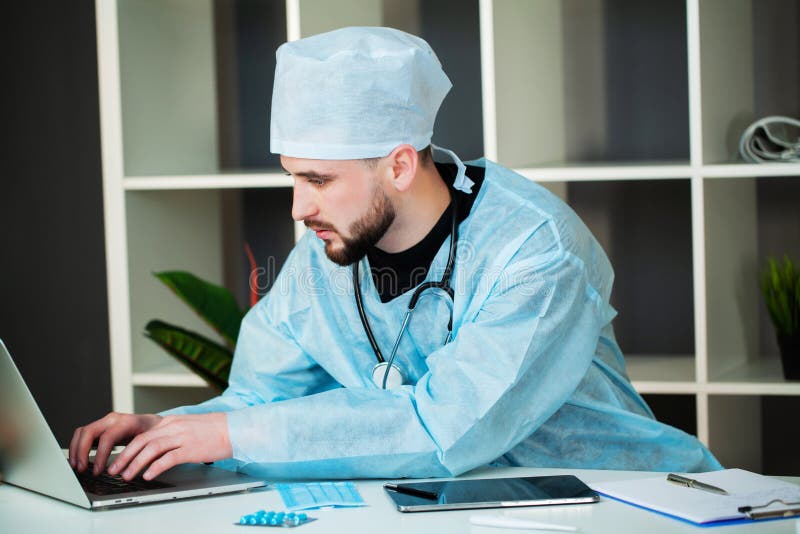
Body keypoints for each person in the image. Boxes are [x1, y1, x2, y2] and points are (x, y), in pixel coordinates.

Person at [69, 27, 721, 482]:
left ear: (401, 165)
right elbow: (259, 399)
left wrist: (224, 434)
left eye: (318, 180)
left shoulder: (535, 251)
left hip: (620, 499)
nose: (297, 208)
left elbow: (448, 427)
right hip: (447, 509)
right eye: (292, 177)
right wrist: (165, 430)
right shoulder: (327, 252)